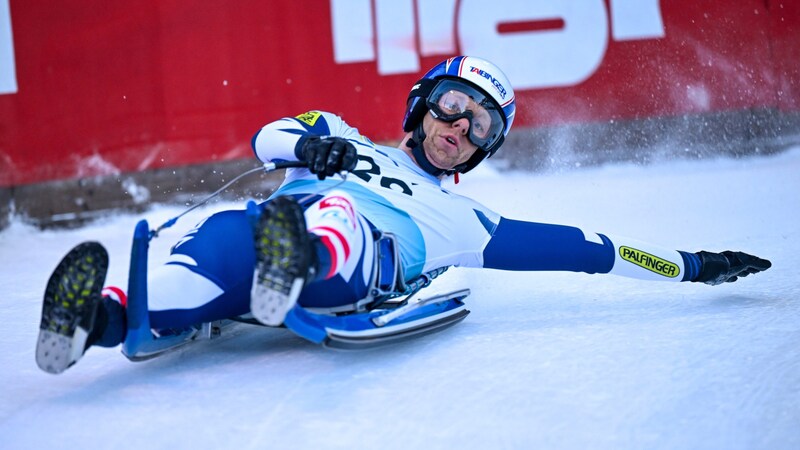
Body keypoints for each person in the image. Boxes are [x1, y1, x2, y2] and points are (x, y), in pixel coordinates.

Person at [36, 56, 772, 374]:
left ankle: (300, 258)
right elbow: (268, 138)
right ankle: (98, 318)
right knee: (214, 236)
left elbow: (590, 248)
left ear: (483, 149)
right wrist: (313, 144)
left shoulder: (470, 222)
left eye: (481, 126)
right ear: (424, 105)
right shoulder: (341, 135)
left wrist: (693, 265)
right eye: (454, 107)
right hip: (271, 232)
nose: (462, 126)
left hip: (353, 263)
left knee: (330, 217)